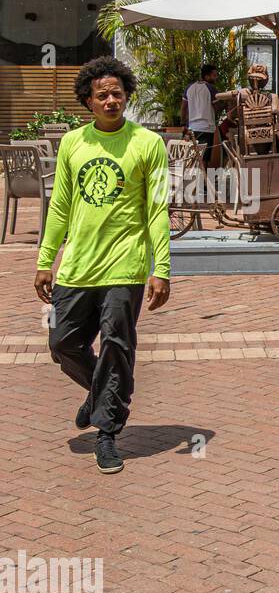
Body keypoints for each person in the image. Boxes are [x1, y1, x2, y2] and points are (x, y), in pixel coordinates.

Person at [34, 56, 171, 474]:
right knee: (62, 344)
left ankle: (107, 433)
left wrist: (160, 268)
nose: (111, 100)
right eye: (102, 95)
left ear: (127, 96)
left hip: (124, 267)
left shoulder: (148, 143)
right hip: (76, 267)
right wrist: (45, 260)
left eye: (117, 93)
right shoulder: (74, 142)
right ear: (88, 102)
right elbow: (60, 205)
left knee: (116, 345)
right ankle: (100, 394)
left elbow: (158, 209)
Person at [181, 63, 219, 167]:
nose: (216, 78)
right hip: (207, 128)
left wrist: (183, 123)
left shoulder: (189, 88)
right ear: (206, 76)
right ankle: (203, 182)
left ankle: (193, 181)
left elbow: (183, 107)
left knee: (192, 157)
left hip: (191, 128)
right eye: (214, 75)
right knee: (204, 159)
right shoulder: (211, 88)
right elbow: (217, 108)